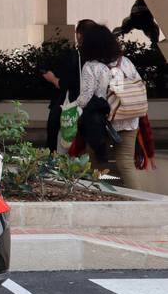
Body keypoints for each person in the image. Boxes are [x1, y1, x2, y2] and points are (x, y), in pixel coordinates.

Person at [75, 24, 141, 181]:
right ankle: (139, 202)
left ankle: (98, 200)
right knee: (126, 163)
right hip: (129, 118)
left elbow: (85, 98)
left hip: (102, 122)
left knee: (95, 162)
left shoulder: (91, 66)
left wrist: (70, 108)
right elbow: (138, 84)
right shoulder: (125, 62)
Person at [42, 19, 96, 152]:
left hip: (74, 103)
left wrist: (52, 78)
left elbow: (65, 83)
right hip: (96, 105)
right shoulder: (103, 55)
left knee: (57, 130)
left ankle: (53, 158)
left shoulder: (75, 56)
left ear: (79, 35)